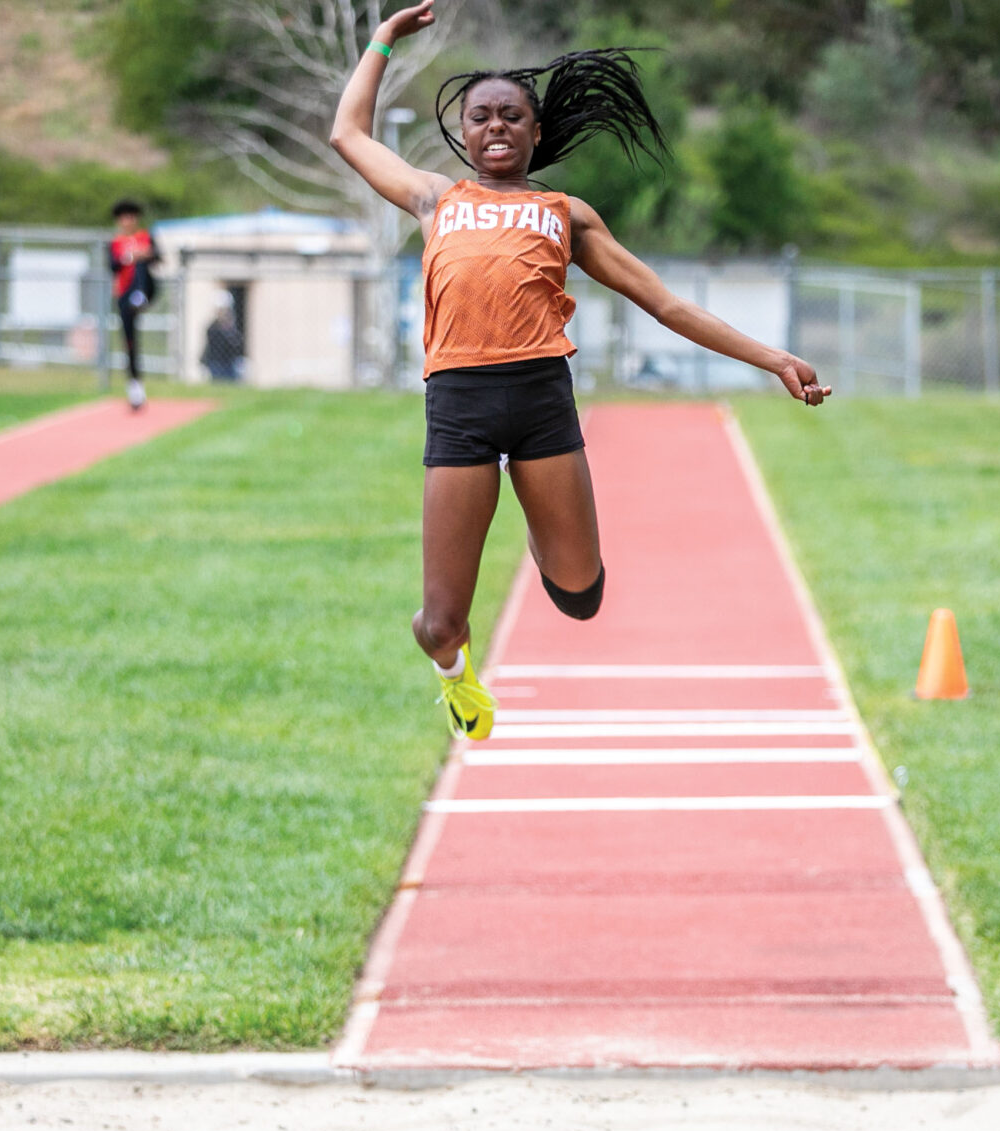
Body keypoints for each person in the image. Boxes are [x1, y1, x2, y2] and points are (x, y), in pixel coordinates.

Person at [329, 0, 830, 742]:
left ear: (537, 132)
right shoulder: (434, 199)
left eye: (511, 116)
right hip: (460, 407)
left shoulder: (568, 214)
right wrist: (383, 40)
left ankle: (540, 524)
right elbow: (347, 133)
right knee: (440, 625)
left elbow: (663, 302)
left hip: (540, 404)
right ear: (462, 134)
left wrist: (773, 359)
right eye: (481, 117)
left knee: (579, 597)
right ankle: (456, 679)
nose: (496, 126)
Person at [109, 198, 161, 411]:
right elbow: (112, 265)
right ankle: (135, 387)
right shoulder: (115, 243)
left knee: (140, 266)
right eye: (123, 217)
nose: (127, 220)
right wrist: (128, 256)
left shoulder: (145, 237)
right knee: (129, 341)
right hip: (124, 294)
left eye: (131, 216)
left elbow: (158, 257)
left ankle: (140, 296)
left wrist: (140, 254)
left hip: (146, 288)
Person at [201, 292, 246, 381]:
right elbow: (215, 343)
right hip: (216, 363)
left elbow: (237, 344)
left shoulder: (232, 327)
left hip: (229, 363)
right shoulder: (213, 327)